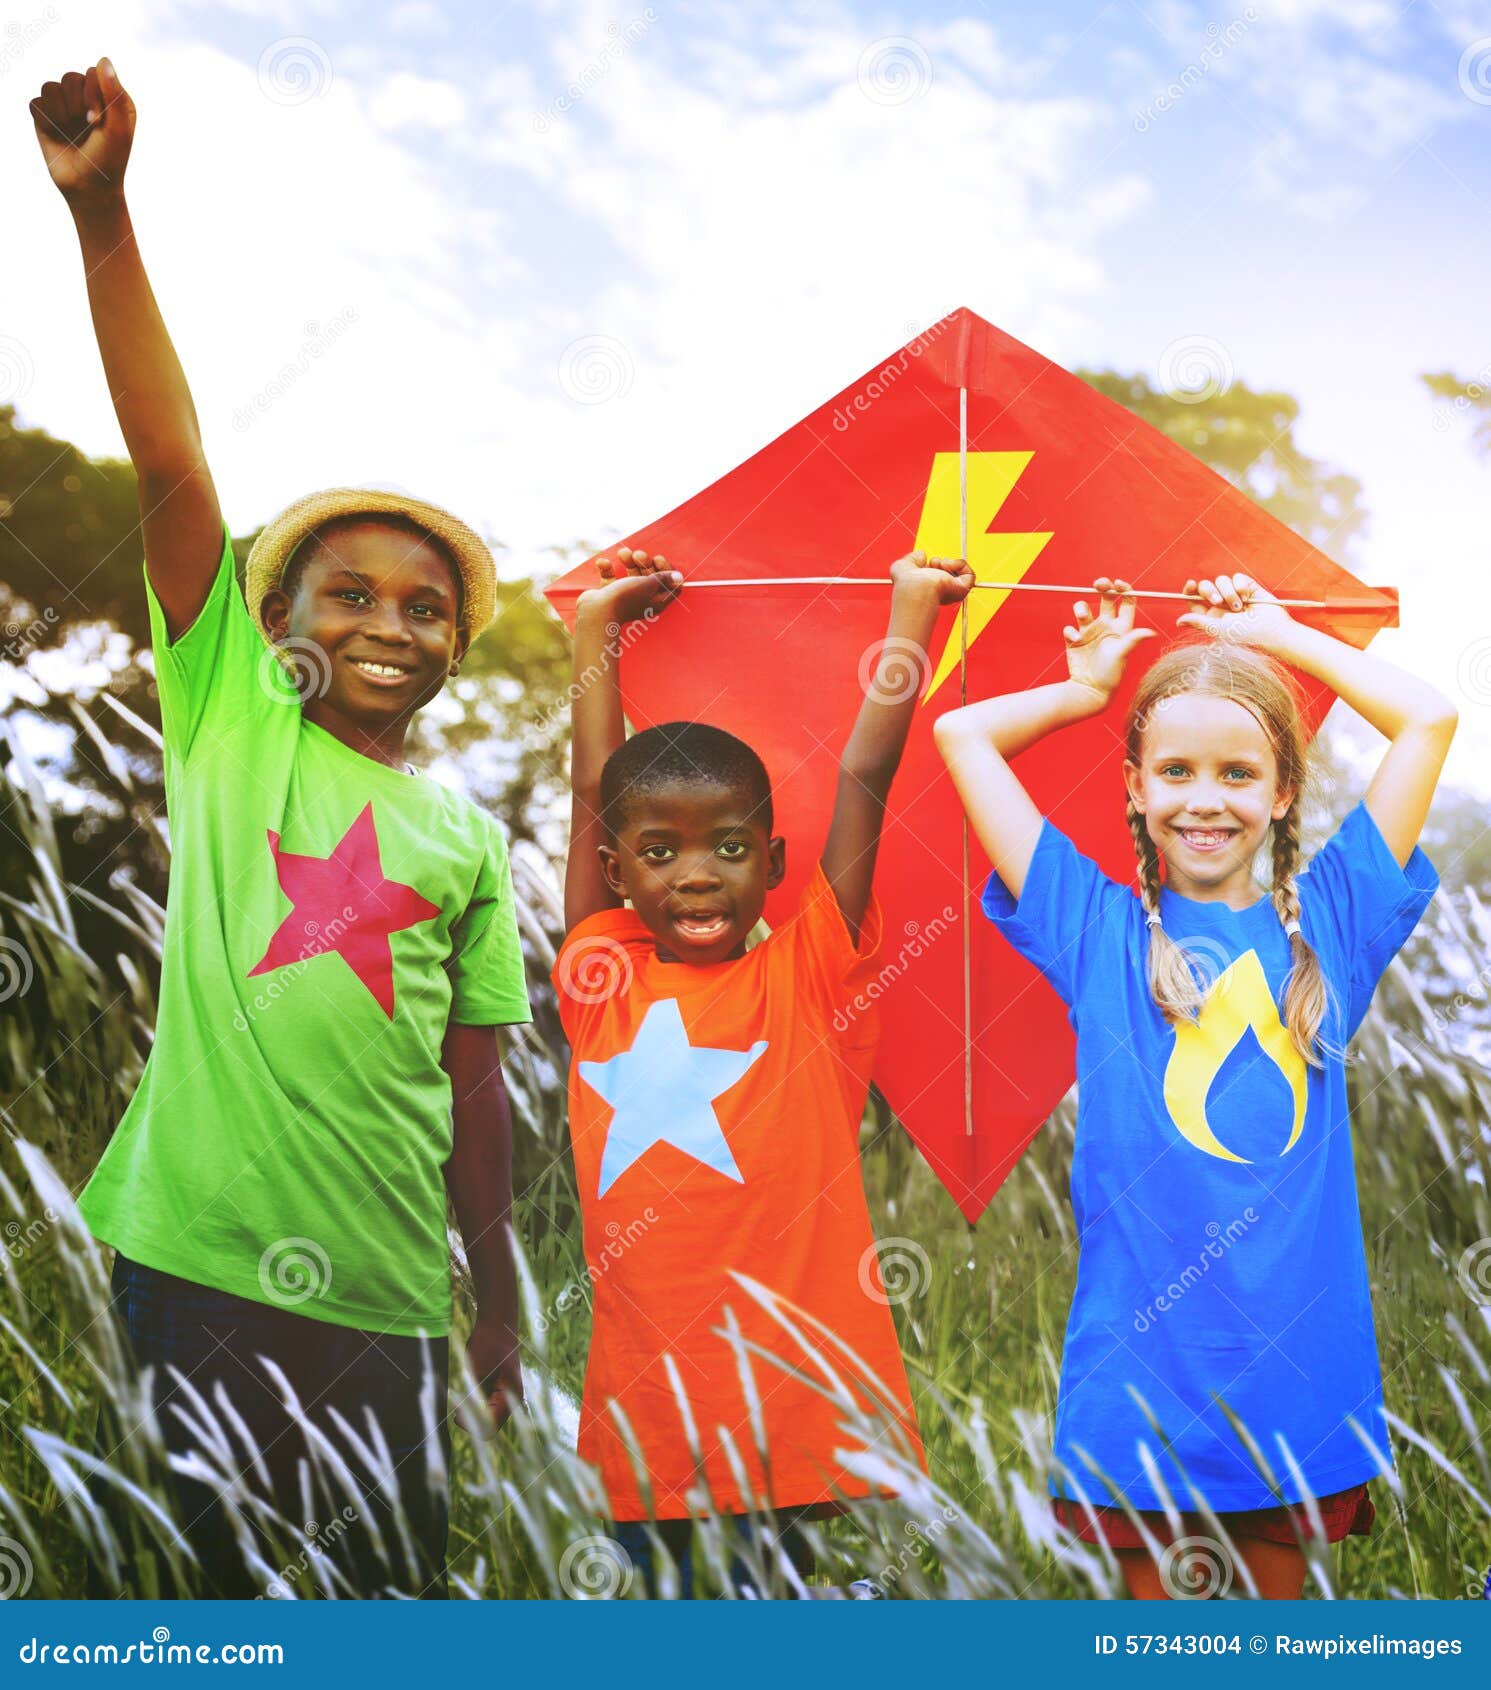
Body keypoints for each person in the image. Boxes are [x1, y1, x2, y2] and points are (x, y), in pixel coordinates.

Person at [32, 58, 532, 1597]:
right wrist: (105, 216)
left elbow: (476, 1086)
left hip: (388, 1299)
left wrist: (496, 1293)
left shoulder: (460, 844)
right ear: (274, 622)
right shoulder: (229, 716)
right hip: (196, 1265)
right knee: (206, 1592)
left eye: (425, 606)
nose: (388, 621)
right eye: (351, 592)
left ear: (455, 647)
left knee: (382, 1594)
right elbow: (172, 462)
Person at [935, 571, 1456, 1599]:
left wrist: (1279, 635)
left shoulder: (1335, 919)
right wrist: (1084, 692)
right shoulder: (1094, 930)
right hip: (1144, 1387)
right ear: (1134, 787)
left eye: (1238, 772)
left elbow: (1428, 720)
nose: (1205, 798)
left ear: (1282, 792)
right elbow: (964, 737)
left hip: (1295, 1385)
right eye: (1174, 770)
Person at [554, 545, 972, 1596]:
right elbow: (592, 793)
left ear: (774, 863)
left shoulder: (809, 974)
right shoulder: (600, 977)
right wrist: (594, 631)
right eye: (660, 853)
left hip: (784, 1406)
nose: (696, 874)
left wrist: (910, 615)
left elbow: (863, 776)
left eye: (730, 848)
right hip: (650, 1421)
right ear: (615, 871)